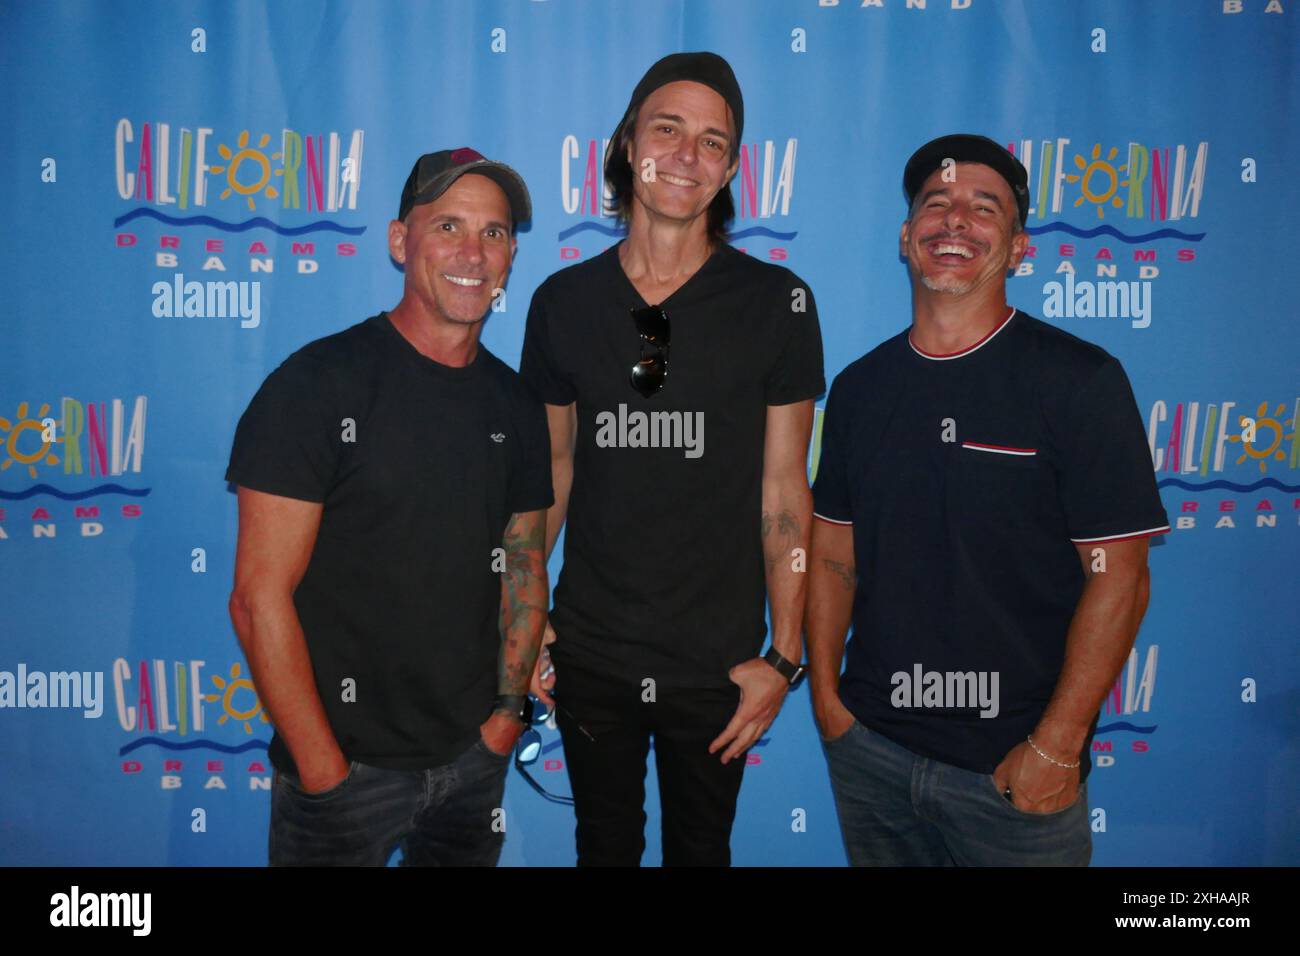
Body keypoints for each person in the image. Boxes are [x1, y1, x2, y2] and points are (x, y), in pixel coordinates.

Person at [805, 134, 1169, 866]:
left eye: (983, 207)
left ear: (1020, 245)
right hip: (872, 751)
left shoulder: (1079, 381)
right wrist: (828, 703)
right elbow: (834, 550)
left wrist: (1057, 748)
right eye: (935, 205)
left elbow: (1120, 581)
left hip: (1013, 773)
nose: (953, 222)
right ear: (907, 238)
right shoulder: (859, 388)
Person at [520, 51, 825, 867]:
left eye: (713, 141)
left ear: (731, 169)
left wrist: (783, 657)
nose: (688, 155)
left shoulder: (778, 306)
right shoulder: (563, 303)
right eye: (668, 130)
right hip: (590, 651)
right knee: (604, 850)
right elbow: (549, 472)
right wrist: (528, 618)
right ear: (626, 145)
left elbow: (785, 490)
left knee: (702, 854)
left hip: (718, 662)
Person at [226, 148, 553, 866]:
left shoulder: (518, 406)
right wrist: (325, 774)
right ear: (401, 241)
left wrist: (504, 721)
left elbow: (524, 564)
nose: (473, 252)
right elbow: (257, 597)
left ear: (510, 257)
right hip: (343, 775)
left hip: (473, 765)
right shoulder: (316, 386)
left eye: (494, 233)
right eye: (448, 227)